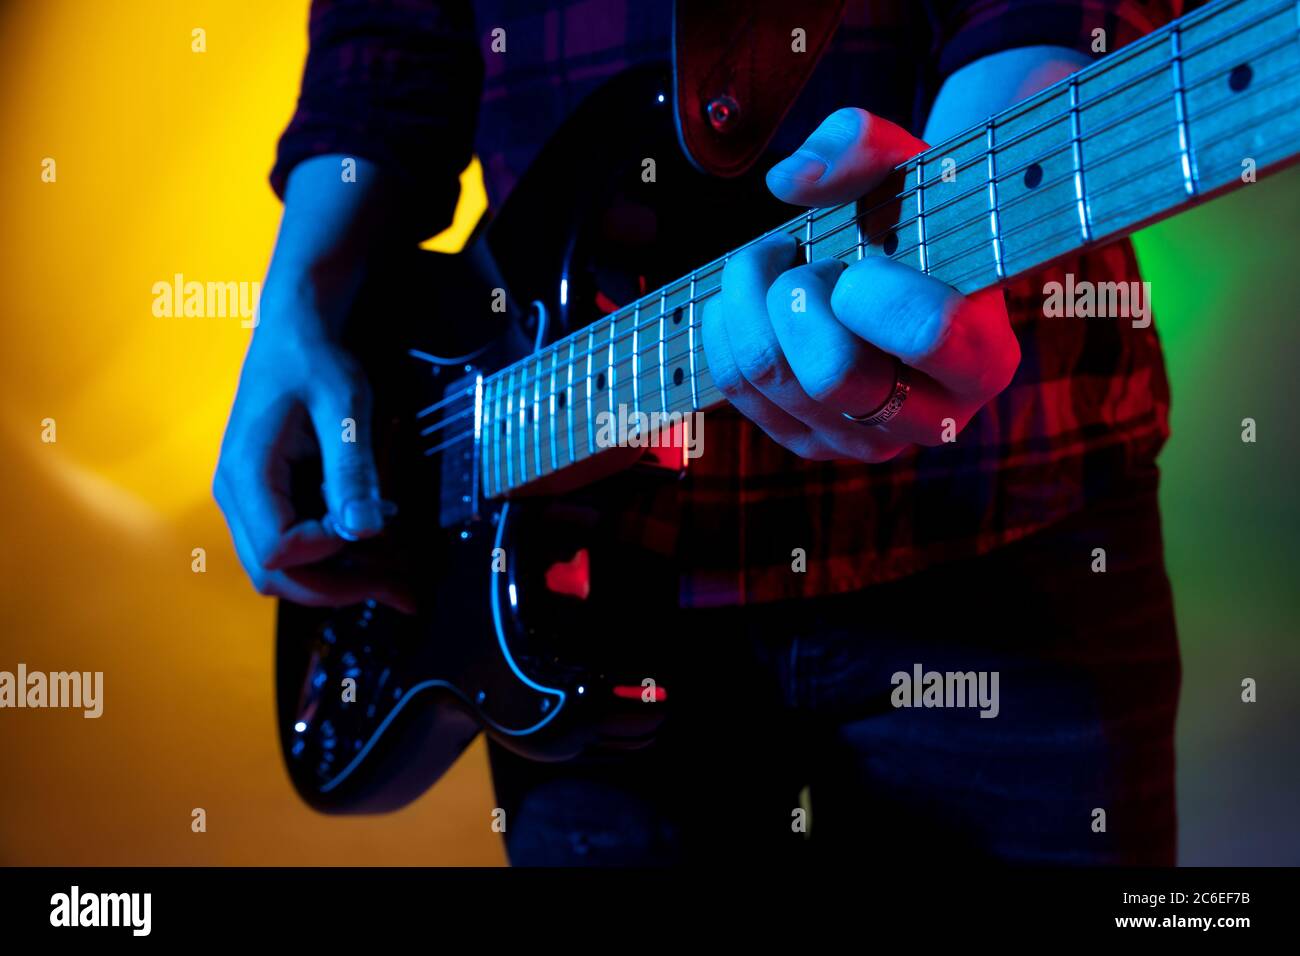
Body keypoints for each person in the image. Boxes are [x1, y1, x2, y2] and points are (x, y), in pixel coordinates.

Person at [215, 0, 1184, 865]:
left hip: (1005, 520)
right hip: (586, 593)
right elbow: (386, 37)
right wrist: (296, 300)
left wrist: (966, 201)